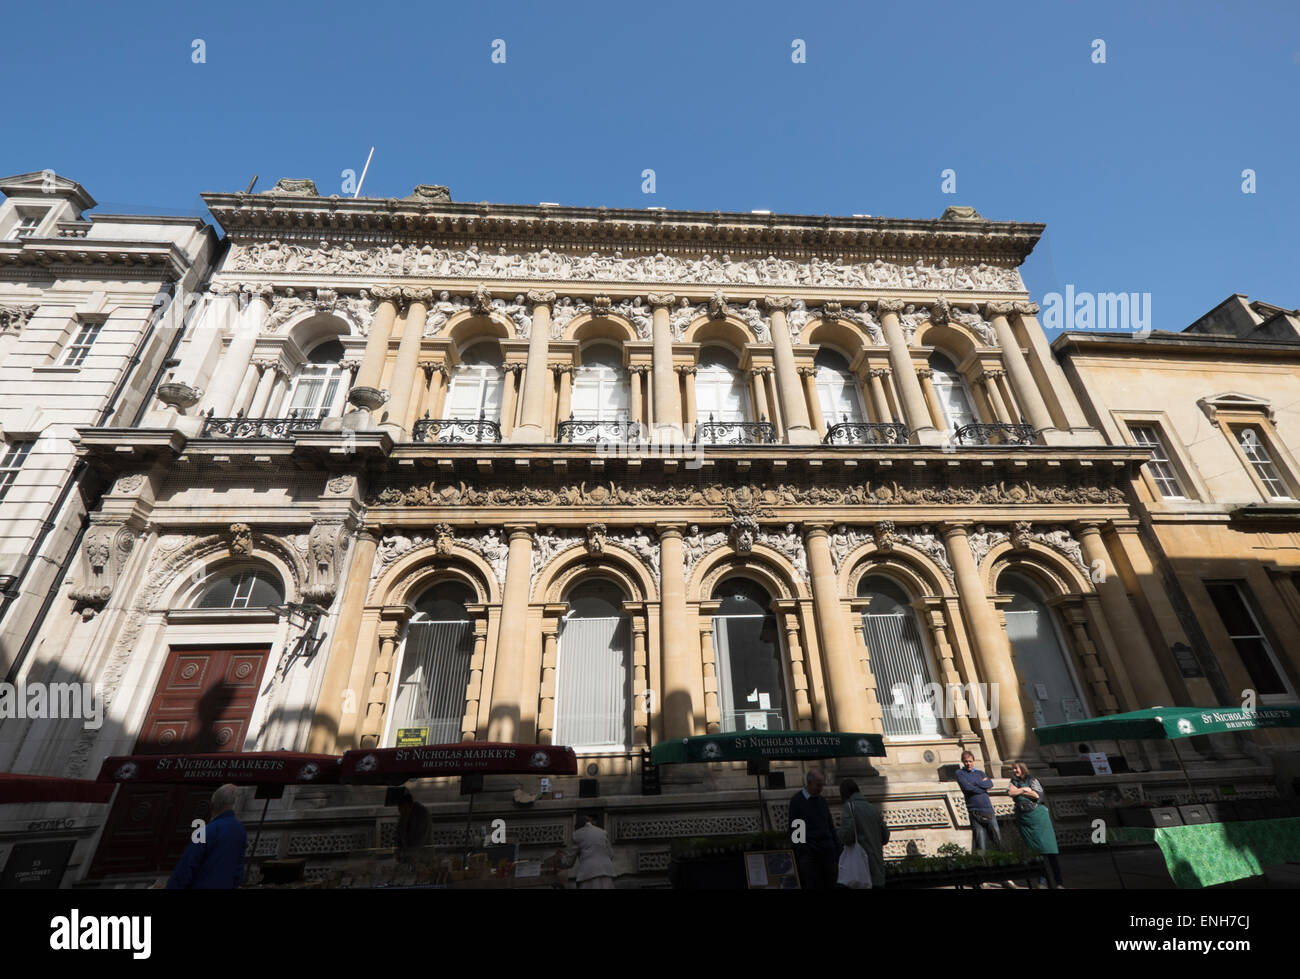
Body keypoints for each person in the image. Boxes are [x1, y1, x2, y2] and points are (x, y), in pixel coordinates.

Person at [167, 783, 246, 889]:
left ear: (212, 805)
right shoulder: (240, 830)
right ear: (233, 805)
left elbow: (187, 866)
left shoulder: (204, 831)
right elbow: (238, 870)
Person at [1008, 760, 1064, 888]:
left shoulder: (1033, 780)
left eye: (1016, 768)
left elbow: (1038, 795)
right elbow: (1011, 792)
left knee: (1050, 851)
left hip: (1039, 820)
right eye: (1013, 769)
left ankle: (1059, 883)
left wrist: (1021, 791)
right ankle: (1041, 882)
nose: (1014, 771)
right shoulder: (1013, 782)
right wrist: (1023, 790)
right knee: (1036, 853)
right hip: (1025, 820)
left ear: (1023, 768)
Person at [788, 768, 839, 889]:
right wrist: (803, 853)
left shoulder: (821, 801)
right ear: (809, 783)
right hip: (810, 856)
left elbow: (830, 826)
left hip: (827, 853)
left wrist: (836, 847)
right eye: (818, 785)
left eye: (822, 785)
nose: (820, 788)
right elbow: (795, 832)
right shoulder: (797, 801)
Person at [838, 778, 890, 888]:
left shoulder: (849, 807)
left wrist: (838, 833)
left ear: (844, 793)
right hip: (878, 867)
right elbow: (885, 837)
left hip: (861, 869)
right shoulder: (873, 809)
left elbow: (847, 836)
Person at [954, 750, 1002, 853]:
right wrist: (981, 787)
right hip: (974, 811)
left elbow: (989, 784)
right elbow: (967, 788)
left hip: (988, 810)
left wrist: (973, 783)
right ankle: (983, 862)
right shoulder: (960, 773)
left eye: (970, 761)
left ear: (973, 761)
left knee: (997, 839)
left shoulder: (980, 773)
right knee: (980, 844)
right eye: (966, 761)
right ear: (962, 761)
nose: (968, 764)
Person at [555, 812, 616, 889]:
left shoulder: (577, 834)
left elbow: (569, 861)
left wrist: (560, 858)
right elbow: (611, 854)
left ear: (578, 826)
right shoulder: (602, 832)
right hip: (606, 872)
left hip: (589, 875)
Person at [394, 788, 431, 861]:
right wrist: (399, 849)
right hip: (408, 856)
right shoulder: (403, 816)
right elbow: (399, 834)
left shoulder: (422, 814)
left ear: (411, 806)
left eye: (405, 810)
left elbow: (421, 839)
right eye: (401, 811)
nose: (403, 814)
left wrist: (407, 853)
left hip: (422, 856)